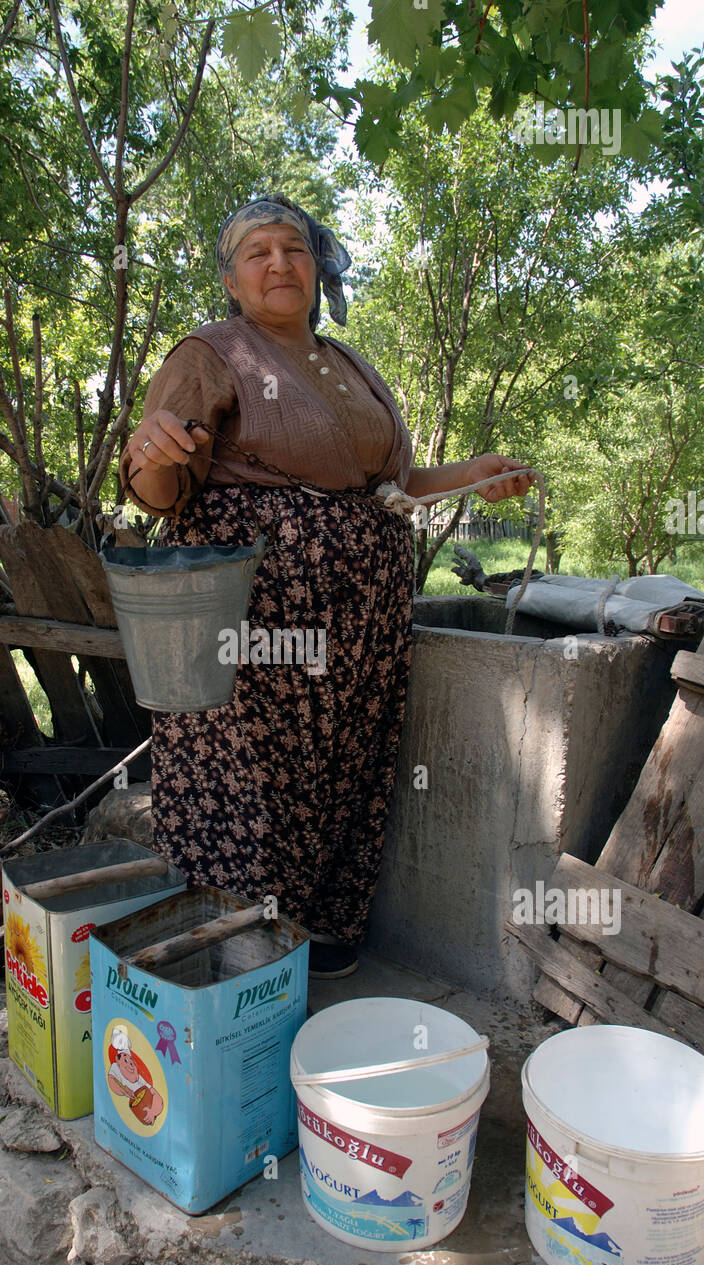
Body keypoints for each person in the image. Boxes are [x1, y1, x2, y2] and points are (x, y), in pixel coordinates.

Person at [118, 193, 532, 979]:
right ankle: (239, 950)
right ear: (232, 281)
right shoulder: (210, 354)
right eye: (257, 253)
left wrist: (471, 476)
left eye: (295, 249)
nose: (280, 263)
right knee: (246, 769)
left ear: (317, 268)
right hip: (256, 604)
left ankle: (323, 933)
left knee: (347, 759)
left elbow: (393, 483)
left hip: (364, 604)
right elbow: (161, 491)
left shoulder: (350, 366)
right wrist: (152, 452)